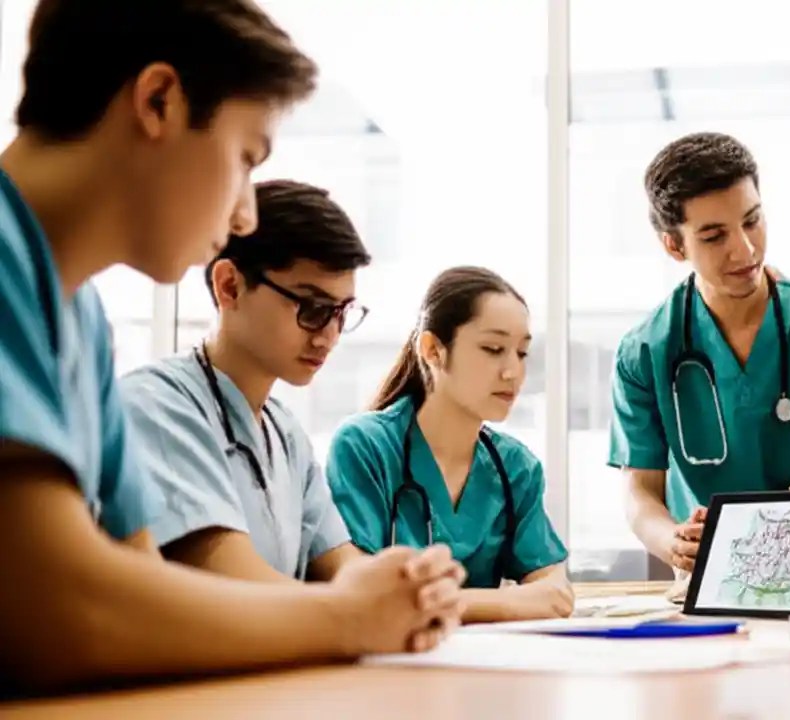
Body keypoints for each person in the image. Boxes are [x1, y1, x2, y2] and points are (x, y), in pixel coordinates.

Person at [0, 1, 461, 694]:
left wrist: (363, 602)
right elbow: (57, 611)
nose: (244, 212)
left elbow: (141, 585)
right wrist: (345, 618)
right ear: (158, 100)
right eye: (246, 159)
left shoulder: (79, 320)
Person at [610, 132, 790, 583]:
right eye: (713, 235)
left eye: (752, 221)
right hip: (714, 583)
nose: (743, 249)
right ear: (674, 245)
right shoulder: (645, 352)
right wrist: (671, 540)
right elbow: (639, 490)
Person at [121, 180, 372, 582]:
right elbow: (238, 585)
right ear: (230, 286)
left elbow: (348, 572)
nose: (328, 335)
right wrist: (374, 605)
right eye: (312, 308)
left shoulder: (286, 434)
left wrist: (472, 598)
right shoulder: (156, 407)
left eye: (342, 312)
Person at [327, 266, 573, 623]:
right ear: (433, 350)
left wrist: (435, 602)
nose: (513, 372)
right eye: (493, 349)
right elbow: (365, 597)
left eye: (521, 353)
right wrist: (508, 603)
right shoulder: (365, 447)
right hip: (389, 666)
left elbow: (555, 593)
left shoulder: (515, 467)